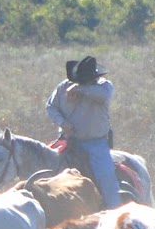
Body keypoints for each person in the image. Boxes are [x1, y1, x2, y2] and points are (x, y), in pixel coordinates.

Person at [46, 55, 120, 209]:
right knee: (47, 169)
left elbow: (104, 96)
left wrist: (80, 89)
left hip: (96, 144)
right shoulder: (63, 87)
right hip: (68, 142)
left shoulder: (104, 87)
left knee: (107, 179)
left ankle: (114, 210)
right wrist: (62, 123)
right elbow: (51, 107)